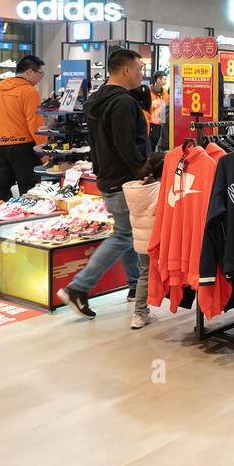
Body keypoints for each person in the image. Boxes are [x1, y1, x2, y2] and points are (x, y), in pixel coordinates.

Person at [58, 49, 150, 316]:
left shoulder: (98, 99)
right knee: (124, 234)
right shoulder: (123, 103)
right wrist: (143, 170)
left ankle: (134, 285)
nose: (141, 75)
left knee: (128, 232)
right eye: (140, 69)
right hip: (124, 179)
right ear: (126, 70)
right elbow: (126, 144)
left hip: (107, 175)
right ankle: (77, 288)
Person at [0, 54, 45, 201]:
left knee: (1, 188)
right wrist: (44, 148)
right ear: (29, 71)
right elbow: (35, 123)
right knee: (29, 189)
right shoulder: (29, 91)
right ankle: (29, 216)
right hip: (23, 147)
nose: (40, 78)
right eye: (40, 74)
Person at [122, 152, 164, 330]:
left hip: (141, 240)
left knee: (145, 274)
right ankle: (140, 313)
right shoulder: (158, 190)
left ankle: (140, 312)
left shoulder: (139, 189)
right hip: (154, 239)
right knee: (149, 274)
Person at [147, 71, 169, 148]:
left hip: (163, 124)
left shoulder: (166, 92)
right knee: (151, 146)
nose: (166, 81)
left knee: (162, 146)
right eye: (164, 79)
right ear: (158, 80)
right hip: (152, 124)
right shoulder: (148, 91)